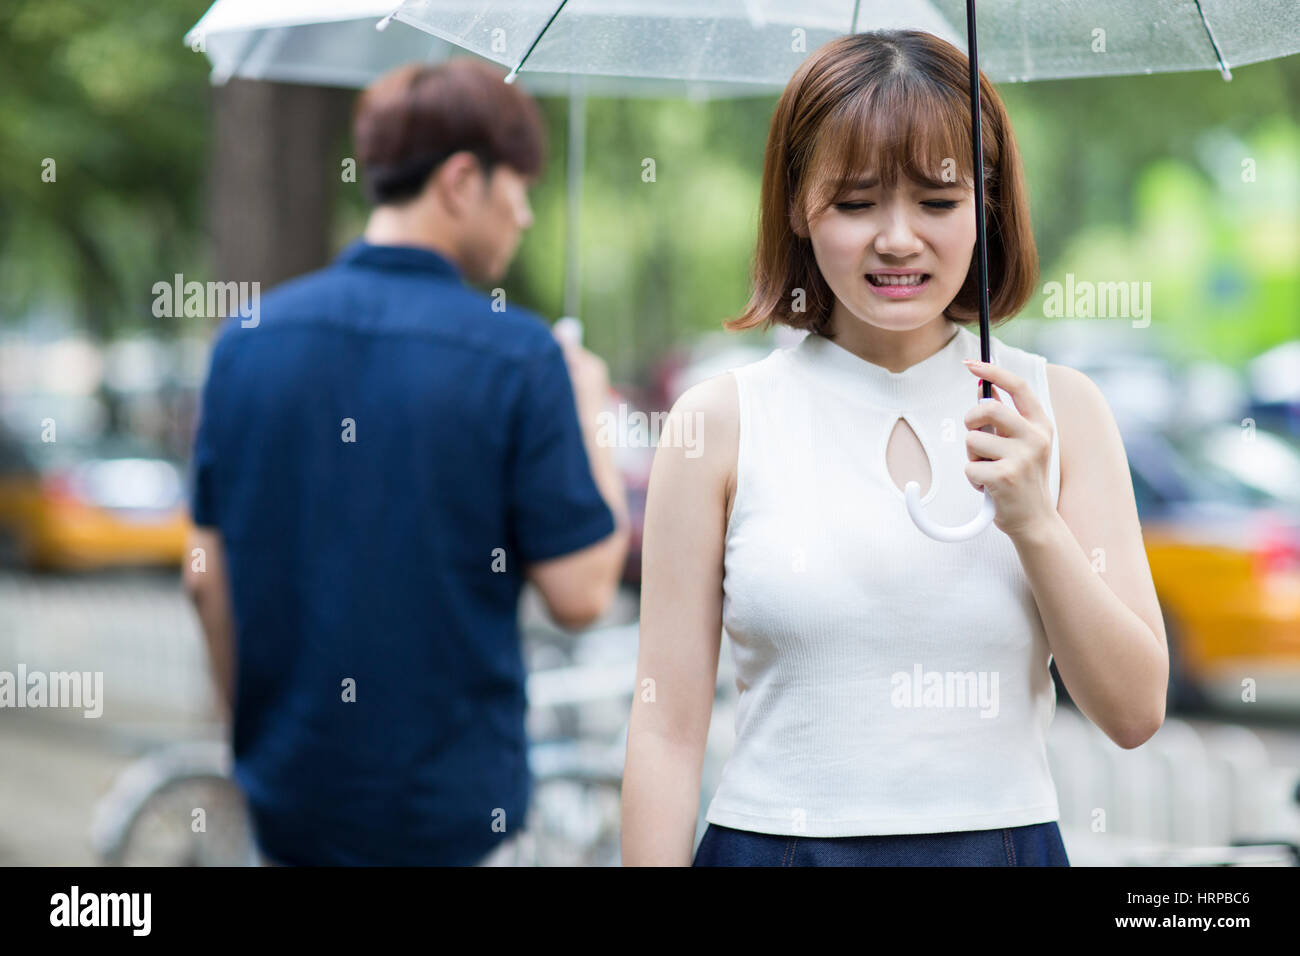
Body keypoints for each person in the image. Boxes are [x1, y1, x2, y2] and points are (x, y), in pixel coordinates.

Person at [622, 30, 1168, 867]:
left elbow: (1134, 713)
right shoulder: (721, 422)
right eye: (855, 202)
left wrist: (1035, 523)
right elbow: (664, 727)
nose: (899, 238)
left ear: (988, 208)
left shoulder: (1060, 411)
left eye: (940, 202)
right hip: (779, 848)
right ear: (799, 208)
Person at [184, 58, 629, 866]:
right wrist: (588, 405)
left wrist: (249, 742)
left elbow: (204, 575)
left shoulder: (245, 342)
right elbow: (585, 592)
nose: (525, 215)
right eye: (518, 186)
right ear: (462, 180)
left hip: (289, 808)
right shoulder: (518, 357)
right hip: (451, 820)